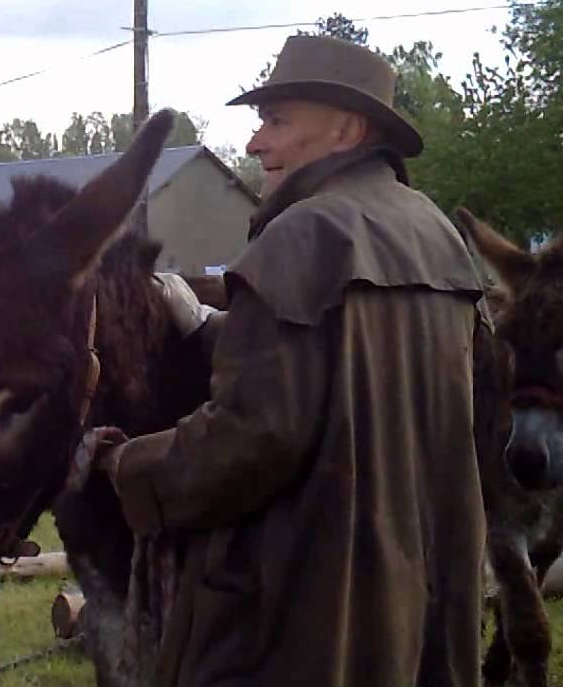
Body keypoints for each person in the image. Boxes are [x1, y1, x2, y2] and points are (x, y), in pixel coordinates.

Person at [73, 35, 491, 685]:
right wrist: (212, 326)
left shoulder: (300, 238)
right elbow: (389, 379)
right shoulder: (437, 235)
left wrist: (123, 464)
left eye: (276, 121)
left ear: (346, 128)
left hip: (308, 615)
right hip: (427, 608)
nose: (254, 143)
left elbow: (251, 438)